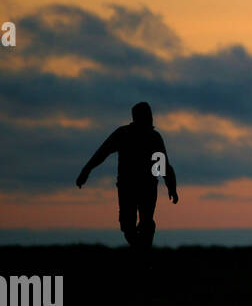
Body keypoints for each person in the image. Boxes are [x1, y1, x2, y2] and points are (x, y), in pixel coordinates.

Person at [76, 101, 178, 251]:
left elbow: (163, 166)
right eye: (146, 116)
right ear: (137, 117)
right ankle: (142, 252)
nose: (149, 119)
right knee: (128, 227)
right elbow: (102, 153)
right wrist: (86, 171)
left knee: (146, 223)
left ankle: (143, 254)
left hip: (147, 187)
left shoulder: (154, 138)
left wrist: (171, 187)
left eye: (149, 115)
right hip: (127, 187)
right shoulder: (123, 134)